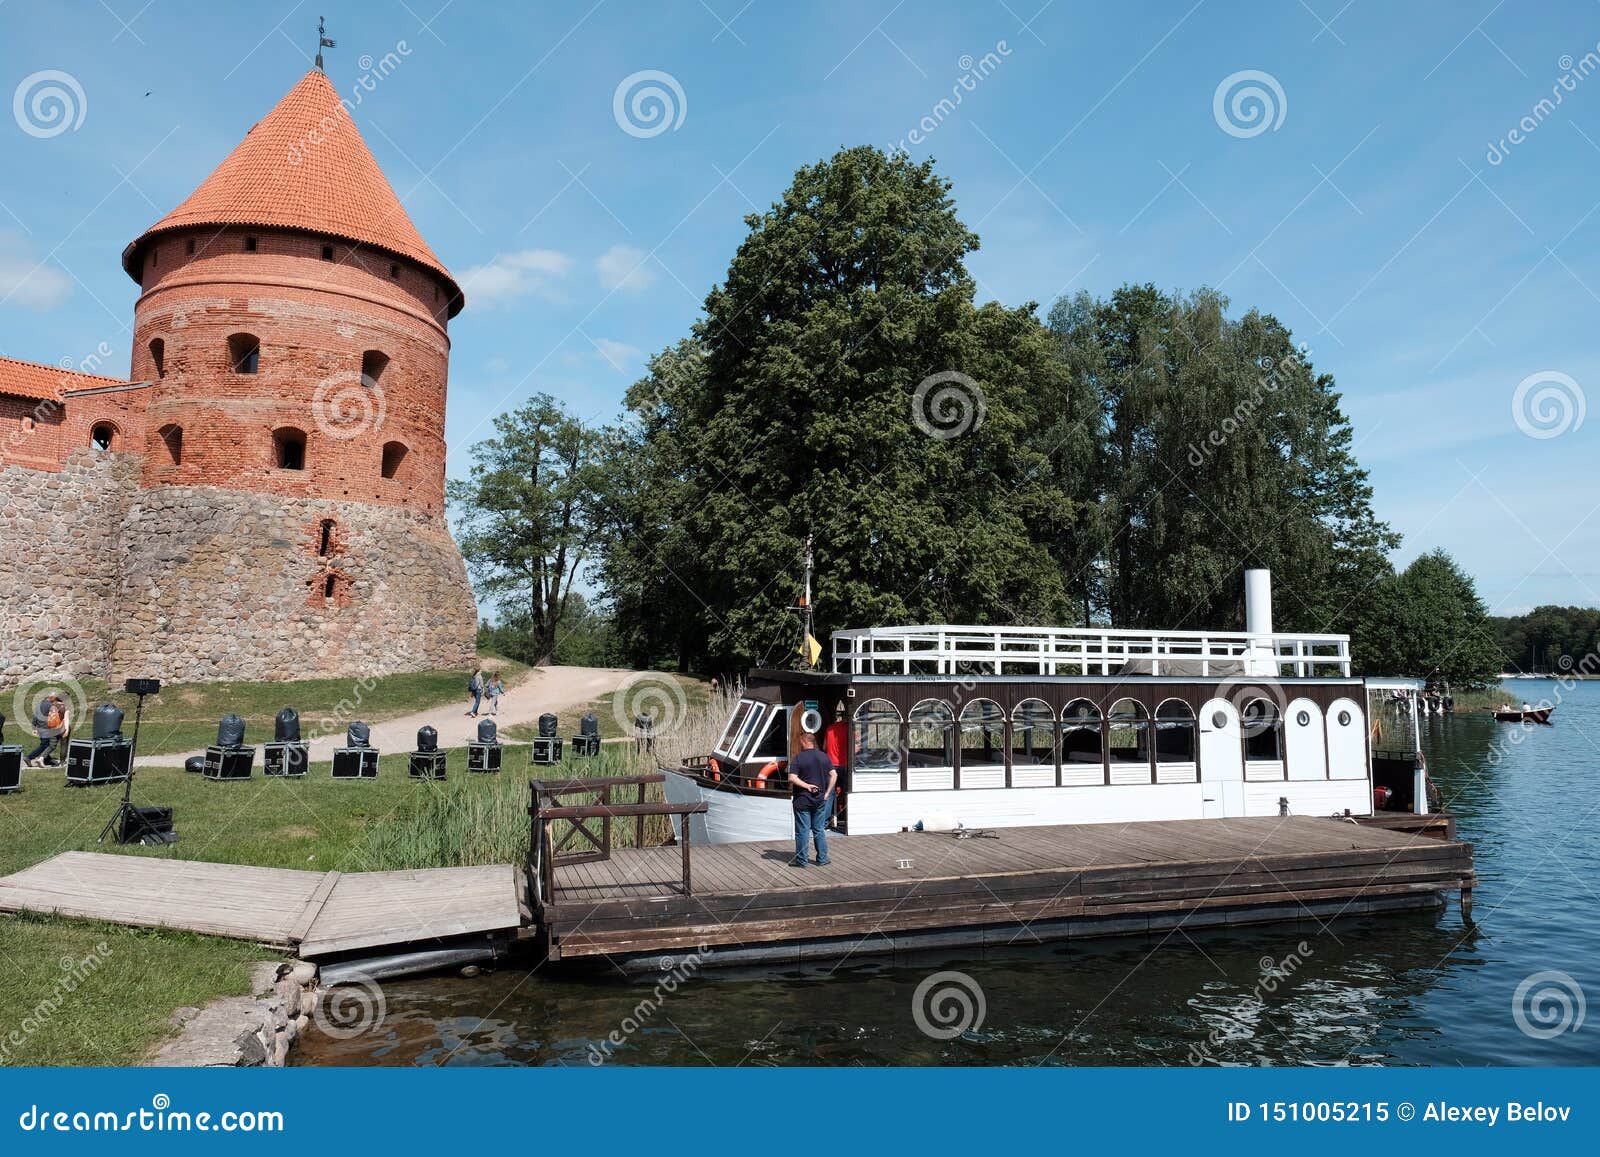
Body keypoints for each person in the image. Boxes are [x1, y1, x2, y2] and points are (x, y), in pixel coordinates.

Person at [786, 731, 837, 868]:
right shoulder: (823, 756)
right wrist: (827, 793)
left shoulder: (798, 758)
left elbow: (792, 778)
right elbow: (834, 775)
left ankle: (802, 861)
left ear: (804, 742)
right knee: (818, 829)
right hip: (819, 799)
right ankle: (822, 858)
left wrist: (807, 786)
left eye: (800, 742)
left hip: (802, 800)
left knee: (802, 831)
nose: (800, 744)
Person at [25, 693, 65, 768]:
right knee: (45, 746)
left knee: (46, 744)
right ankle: (29, 757)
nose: (55, 700)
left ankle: (47, 760)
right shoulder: (50, 705)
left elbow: (35, 716)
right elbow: (55, 716)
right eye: (54, 698)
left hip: (40, 728)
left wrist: (34, 727)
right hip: (46, 728)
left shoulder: (39, 704)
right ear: (51, 697)